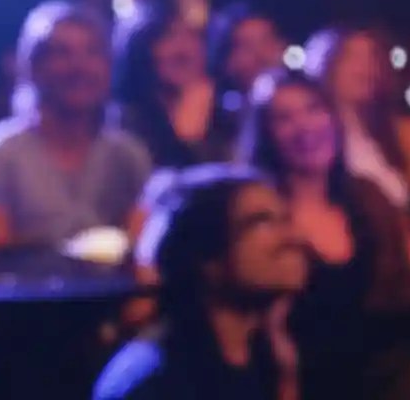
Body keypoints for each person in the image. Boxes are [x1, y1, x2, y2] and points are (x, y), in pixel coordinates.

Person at [236, 70, 410, 400]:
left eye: (314, 109)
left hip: (388, 379)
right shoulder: (261, 221)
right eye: (284, 118)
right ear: (266, 134)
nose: (305, 127)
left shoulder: (368, 198)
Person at [0, 0, 153, 248]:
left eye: (93, 53)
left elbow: (144, 242)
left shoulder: (128, 155)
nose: (80, 67)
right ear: (32, 67)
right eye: (62, 53)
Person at [303, 26, 410, 312]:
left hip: (407, 274)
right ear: (327, 63)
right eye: (353, 57)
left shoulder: (384, 136)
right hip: (363, 280)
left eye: (372, 57)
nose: (366, 67)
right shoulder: (321, 140)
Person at [94, 164, 306, 400]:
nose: (292, 237)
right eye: (261, 222)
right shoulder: (155, 380)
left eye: (284, 220)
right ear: (206, 256)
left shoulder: (266, 356)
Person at [114, 7, 219, 168]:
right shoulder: (124, 124)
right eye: (169, 38)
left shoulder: (224, 115)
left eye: (192, 37)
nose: (185, 50)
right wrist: (189, 137)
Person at [208, 2, 287, 159]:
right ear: (228, 61)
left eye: (267, 41)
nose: (261, 54)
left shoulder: (313, 100)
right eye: (246, 46)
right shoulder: (216, 121)